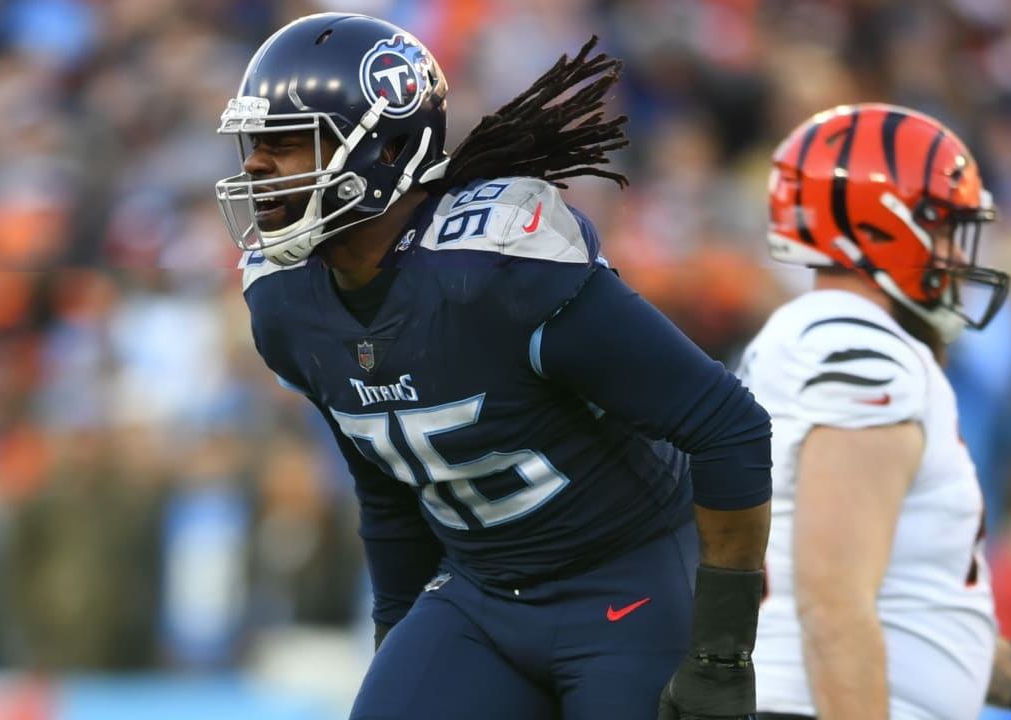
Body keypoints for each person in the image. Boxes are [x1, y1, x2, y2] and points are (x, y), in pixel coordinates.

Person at [214, 12, 772, 720]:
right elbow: (387, 483)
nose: (256, 166)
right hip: (481, 592)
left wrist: (722, 652)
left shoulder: (495, 271)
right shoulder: (283, 300)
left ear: (384, 151)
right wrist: (401, 640)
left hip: (625, 583)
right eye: (253, 145)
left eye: (288, 144)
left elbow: (731, 426)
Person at [741, 102, 1011, 720]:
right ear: (881, 226)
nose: (956, 257)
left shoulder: (816, 337)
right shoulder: (863, 353)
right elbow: (834, 604)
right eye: (947, 228)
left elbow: (907, 602)